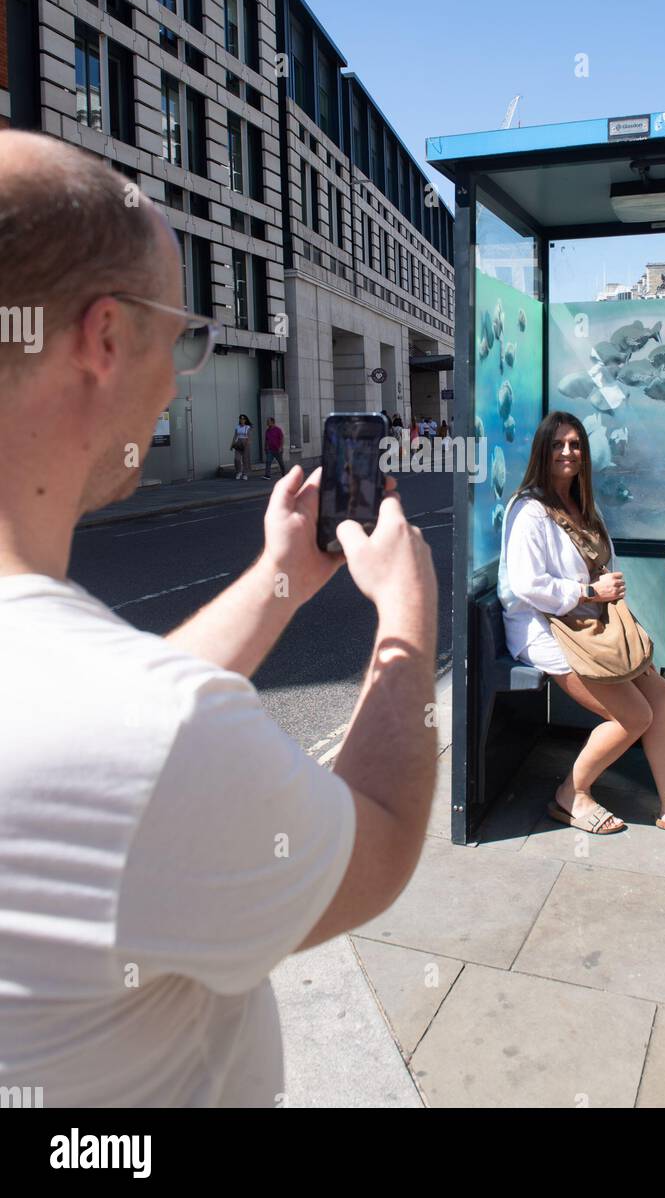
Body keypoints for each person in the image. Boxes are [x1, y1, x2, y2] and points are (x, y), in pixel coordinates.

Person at [0, 131, 438, 1108]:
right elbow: (376, 847)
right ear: (106, 339)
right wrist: (405, 623)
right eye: (179, 333)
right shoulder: (141, 731)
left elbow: (127, 715)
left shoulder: (98, 705)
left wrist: (282, 576)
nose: (181, 372)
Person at [498, 410, 665, 842]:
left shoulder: (585, 504)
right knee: (632, 716)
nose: (568, 452)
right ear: (542, 452)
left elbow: (605, 566)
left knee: (661, 695)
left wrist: (607, 597)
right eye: (558, 445)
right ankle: (572, 792)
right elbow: (527, 584)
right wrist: (590, 592)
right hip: (548, 631)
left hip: (594, 628)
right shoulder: (529, 511)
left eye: (575, 445)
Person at [232, 413, 253, 479]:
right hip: (238, 443)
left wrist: (248, 442)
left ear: (245, 420)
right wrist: (232, 444)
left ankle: (245, 474)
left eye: (243, 419)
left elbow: (249, 436)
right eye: (240, 419)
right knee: (237, 459)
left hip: (245, 443)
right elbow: (235, 436)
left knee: (245, 459)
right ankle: (238, 472)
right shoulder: (237, 427)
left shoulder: (247, 427)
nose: (242, 420)